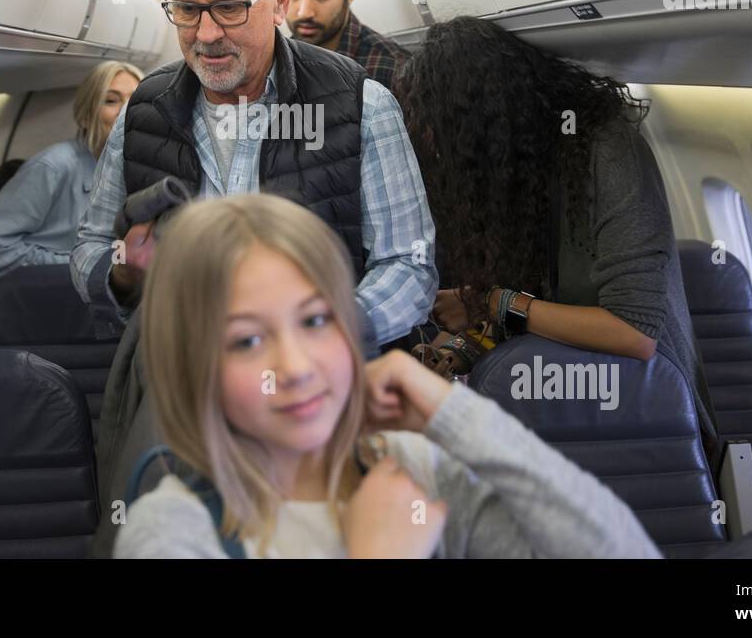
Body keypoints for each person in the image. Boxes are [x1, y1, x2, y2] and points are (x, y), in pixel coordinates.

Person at [72, 0, 437, 535]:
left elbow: (410, 265)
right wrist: (124, 273)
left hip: (315, 409)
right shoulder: (143, 112)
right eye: (186, 9)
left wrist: (315, 342)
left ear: (279, 0)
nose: (206, 33)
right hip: (179, 401)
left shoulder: (360, 105)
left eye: (230, 8)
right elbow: (86, 250)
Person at [114, 193, 660, 558]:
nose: (297, 366)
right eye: (247, 340)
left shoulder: (409, 470)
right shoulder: (172, 532)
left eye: (316, 320)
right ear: (190, 363)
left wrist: (455, 416)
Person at [398, 17, 720, 465]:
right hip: (553, 403)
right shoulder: (519, 174)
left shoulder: (606, 153)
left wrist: (492, 302)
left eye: (448, 133)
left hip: (652, 418)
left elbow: (635, 332)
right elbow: (533, 305)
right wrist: (456, 352)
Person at [0, 61, 143, 288]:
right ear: (86, 115)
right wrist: (80, 266)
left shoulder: (134, 171)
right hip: (41, 304)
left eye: (136, 100)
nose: (126, 110)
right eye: (111, 100)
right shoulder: (54, 166)